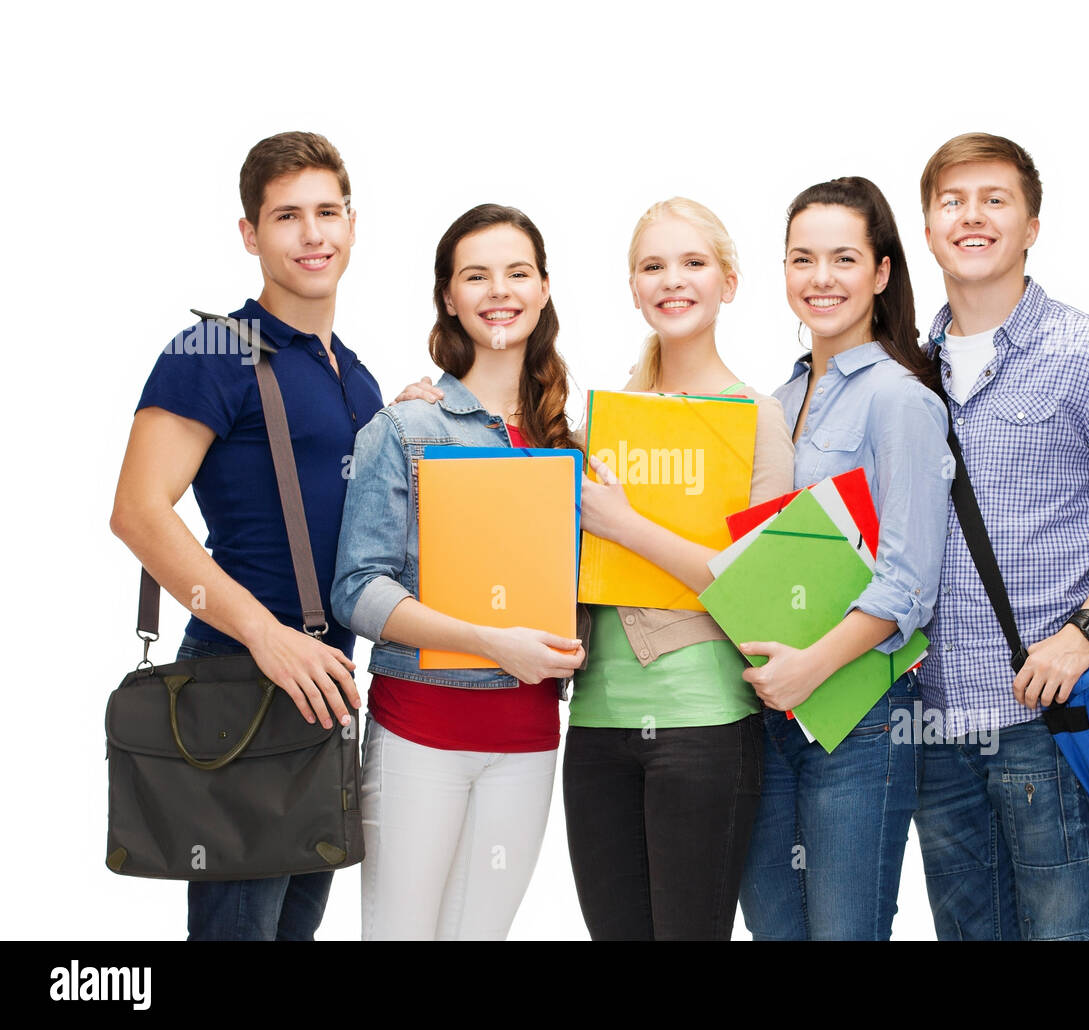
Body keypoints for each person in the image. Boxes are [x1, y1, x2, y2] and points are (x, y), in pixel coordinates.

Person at [911, 133, 1089, 941]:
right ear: (927, 227)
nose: (972, 217)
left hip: (1045, 724)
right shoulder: (906, 370)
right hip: (933, 724)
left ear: (1031, 224)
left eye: (995, 200)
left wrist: (1083, 632)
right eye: (951, 202)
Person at [110, 131, 382, 940]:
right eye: (287, 216)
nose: (312, 234)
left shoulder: (357, 375)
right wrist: (268, 638)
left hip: (325, 686)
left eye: (327, 212)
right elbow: (138, 511)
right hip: (242, 678)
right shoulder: (212, 347)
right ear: (250, 234)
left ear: (352, 224)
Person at [330, 204, 585, 941]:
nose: (498, 291)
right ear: (449, 295)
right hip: (422, 734)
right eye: (476, 275)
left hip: (530, 738)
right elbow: (360, 589)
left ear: (543, 290)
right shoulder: (406, 428)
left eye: (517, 273)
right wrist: (489, 641)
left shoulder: (574, 439)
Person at [565, 197, 794, 941]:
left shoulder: (758, 418)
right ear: (633, 288)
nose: (673, 280)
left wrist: (624, 524)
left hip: (704, 723)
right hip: (596, 722)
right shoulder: (599, 423)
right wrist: (433, 397)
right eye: (653, 266)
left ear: (728, 281)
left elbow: (752, 586)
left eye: (693, 263)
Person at [735, 177, 951, 940]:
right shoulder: (775, 399)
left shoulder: (901, 401)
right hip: (766, 712)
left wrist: (809, 668)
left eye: (843, 259)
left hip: (859, 715)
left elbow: (908, 582)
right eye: (802, 259)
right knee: (775, 929)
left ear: (882, 272)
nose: (820, 279)